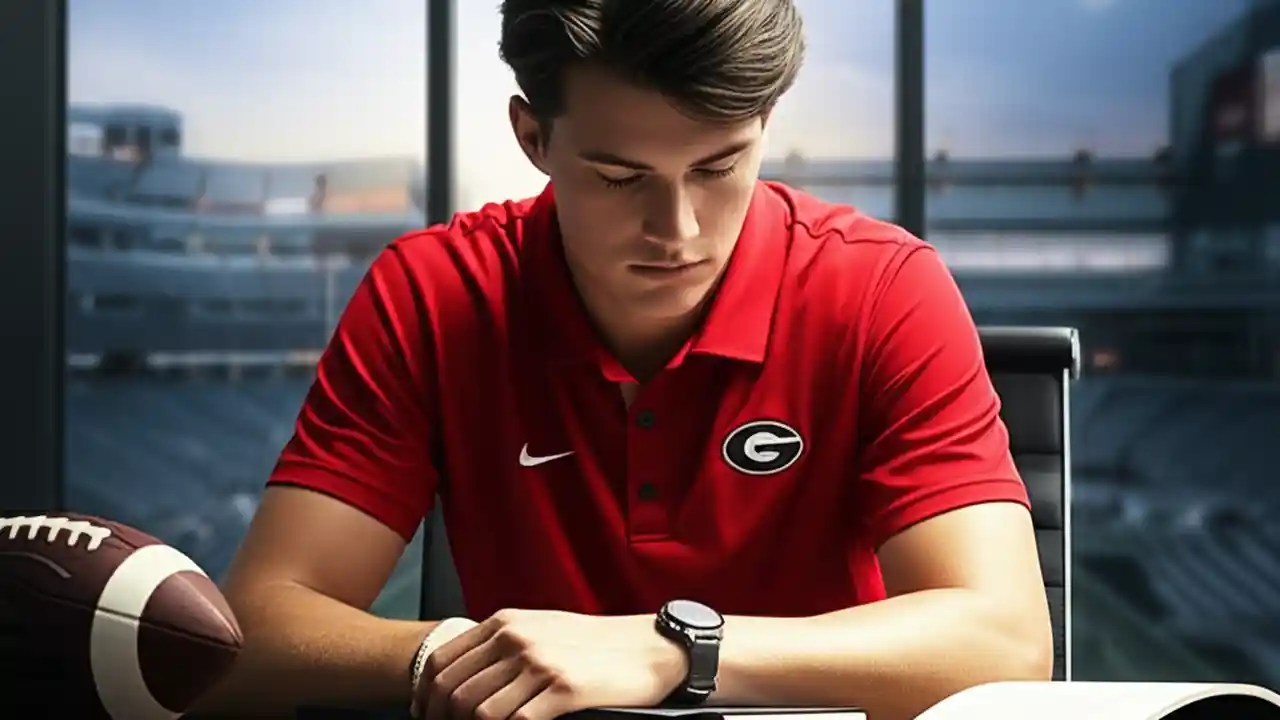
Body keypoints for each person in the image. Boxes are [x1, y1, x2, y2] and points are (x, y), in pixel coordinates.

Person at [195, 1, 1052, 718]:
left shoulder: (884, 289)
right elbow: (255, 629)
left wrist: (672, 650)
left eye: (719, 166)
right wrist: (473, 655)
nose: (677, 230)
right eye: (617, 176)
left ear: (764, 126)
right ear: (532, 136)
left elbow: (1006, 640)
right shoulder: (433, 292)